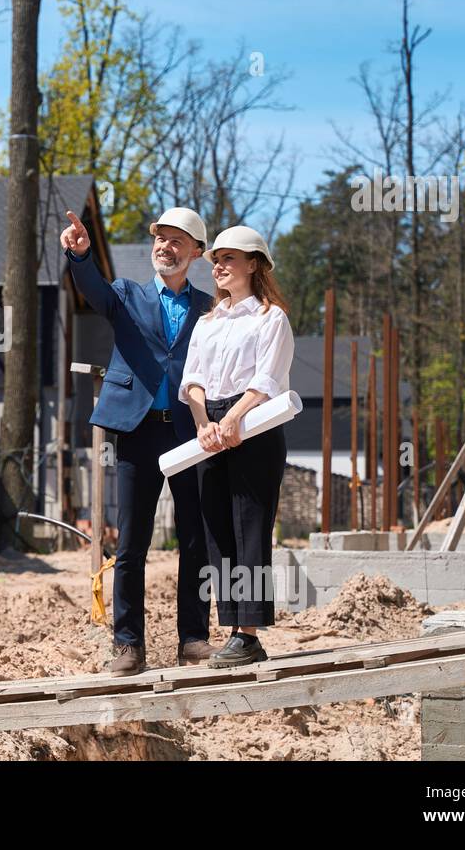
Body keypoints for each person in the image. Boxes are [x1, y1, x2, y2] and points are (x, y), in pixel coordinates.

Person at [60, 206, 217, 675]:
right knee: (131, 545)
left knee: (195, 543)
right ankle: (127, 644)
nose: (164, 247)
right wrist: (82, 256)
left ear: (196, 252)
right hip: (137, 430)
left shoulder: (209, 309)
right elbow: (91, 292)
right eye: (159, 239)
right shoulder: (126, 295)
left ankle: (194, 639)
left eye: (175, 241)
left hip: (188, 431)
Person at [178, 225, 294, 667]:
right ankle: (233, 630)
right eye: (217, 260)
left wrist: (232, 418)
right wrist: (206, 423)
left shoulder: (271, 317)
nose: (220, 267)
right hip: (211, 426)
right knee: (218, 533)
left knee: (250, 530)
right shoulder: (207, 323)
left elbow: (267, 379)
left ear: (254, 265)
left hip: (256, 424)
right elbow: (192, 380)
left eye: (229, 259)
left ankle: (249, 633)